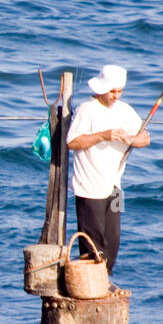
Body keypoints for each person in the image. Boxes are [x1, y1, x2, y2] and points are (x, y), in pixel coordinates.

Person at [66, 64, 150, 273]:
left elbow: (145, 138)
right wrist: (102, 135)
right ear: (101, 89)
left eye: (119, 91)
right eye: (112, 91)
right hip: (89, 186)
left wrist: (131, 139)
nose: (116, 96)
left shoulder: (125, 110)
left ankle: (105, 278)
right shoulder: (86, 109)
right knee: (93, 242)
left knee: (113, 240)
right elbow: (72, 142)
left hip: (114, 186)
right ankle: (91, 281)